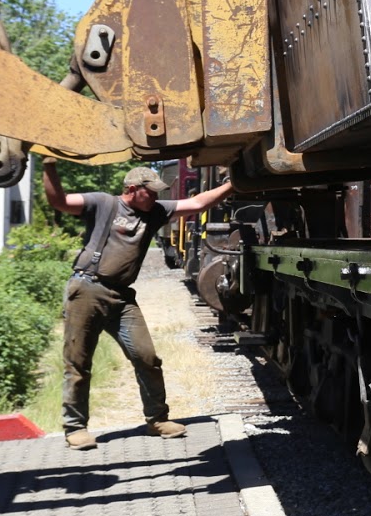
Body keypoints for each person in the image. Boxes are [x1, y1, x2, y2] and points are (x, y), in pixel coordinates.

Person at [44, 161, 234, 450]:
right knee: (78, 362)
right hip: (87, 289)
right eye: (151, 192)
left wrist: (235, 183)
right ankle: (75, 427)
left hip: (122, 297)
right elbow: (59, 201)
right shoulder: (103, 203)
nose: (157, 197)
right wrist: (50, 166)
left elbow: (196, 202)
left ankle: (157, 419)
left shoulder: (156, 212)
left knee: (147, 357)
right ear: (133, 190)